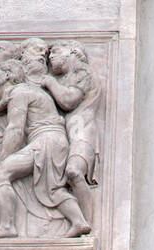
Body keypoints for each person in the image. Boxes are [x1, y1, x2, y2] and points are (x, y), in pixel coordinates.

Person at [0, 59, 91, 239]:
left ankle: (7, 226)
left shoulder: (20, 92)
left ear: (8, 75)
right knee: (53, 189)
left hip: (46, 141)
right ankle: (79, 222)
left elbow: (15, 130)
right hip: (53, 141)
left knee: (1, 172)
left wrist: (1, 160)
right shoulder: (24, 92)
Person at [43, 42, 102, 220]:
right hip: (68, 135)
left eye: (55, 52)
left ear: (72, 53)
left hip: (82, 132)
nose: (51, 57)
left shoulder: (82, 72)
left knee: (74, 172)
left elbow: (69, 100)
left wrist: (50, 82)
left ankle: (87, 225)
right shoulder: (64, 79)